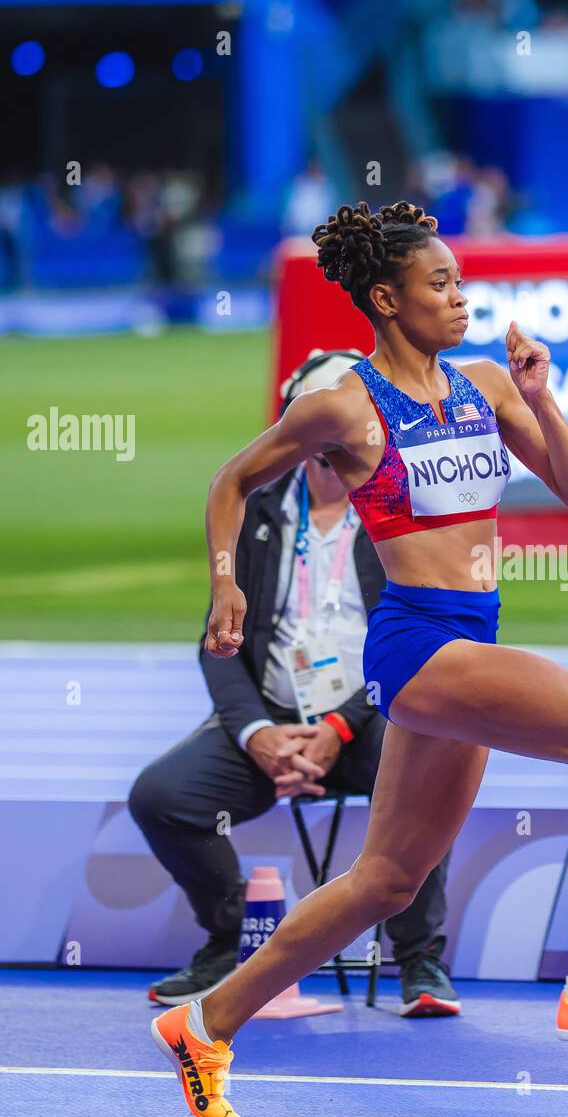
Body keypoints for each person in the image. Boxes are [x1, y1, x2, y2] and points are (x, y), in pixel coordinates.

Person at [152, 200, 568, 1117]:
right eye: (440, 285)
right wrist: (229, 586)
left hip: (466, 641)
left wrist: (542, 395)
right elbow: (231, 479)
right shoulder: (343, 407)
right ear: (388, 299)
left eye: (461, 282)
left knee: (387, 879)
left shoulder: (485, 382)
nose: (460, 298)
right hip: (417, 645)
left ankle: (207, 1022)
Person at [130, 351, 460, 1019]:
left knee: (432, 764)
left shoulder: (405, 512)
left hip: (373, 715)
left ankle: (419, 958)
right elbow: (219, 645)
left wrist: (339, 726)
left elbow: (425, 644)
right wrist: (258, 734)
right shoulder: (256, 515)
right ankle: (232, 941)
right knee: (162, 797)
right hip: (274, 722)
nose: (330, 451)